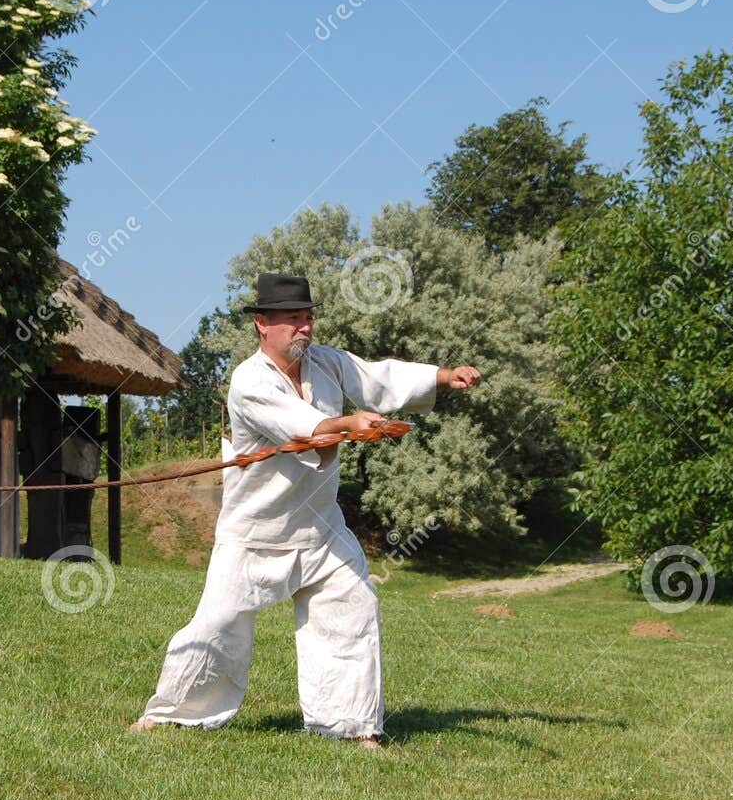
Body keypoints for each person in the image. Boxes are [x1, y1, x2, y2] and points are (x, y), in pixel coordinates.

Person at [131, 273, 481, 749]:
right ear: (262, 324)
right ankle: (171, 714)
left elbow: (378, 378)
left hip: (320, 529)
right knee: (217, 627)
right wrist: (347, 424)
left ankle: (352, 726)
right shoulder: (249, 382)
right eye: (293, 319)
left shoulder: (328, 363)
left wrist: (442, 376)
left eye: (308, 317)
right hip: (255, 532)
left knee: (354, 609)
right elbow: (306, 429)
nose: (305, 328)